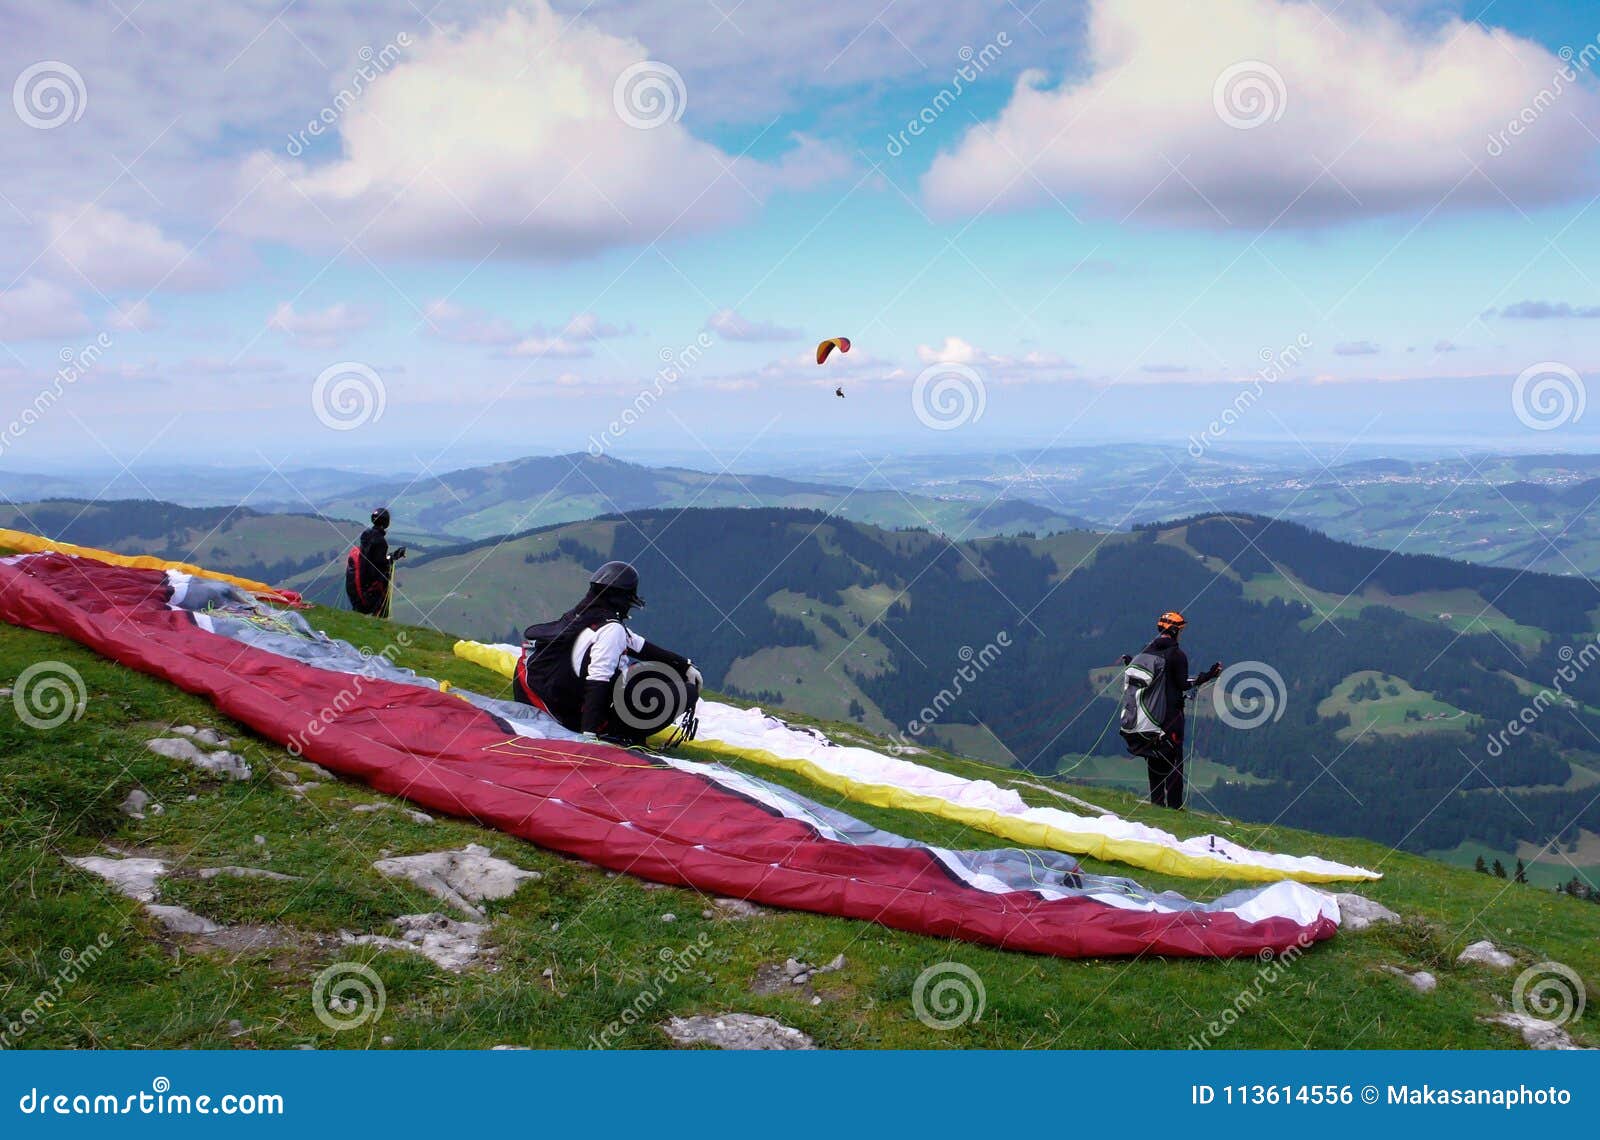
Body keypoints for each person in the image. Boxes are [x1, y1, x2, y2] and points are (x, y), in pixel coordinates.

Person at [514, 561, 702, 744]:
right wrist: (589, 735)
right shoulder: (611, 629)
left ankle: (608, 727)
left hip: (533, 696)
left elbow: (641, 646)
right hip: (566, 715)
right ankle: (621, 735)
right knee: (686, 692)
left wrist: (684, 665)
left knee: (640, 672)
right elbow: (598, 680)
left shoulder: (583, 616)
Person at [1119, 611, 1221, 810]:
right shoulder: (1177, 655)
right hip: (1171, 716)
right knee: (1174, 762)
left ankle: (1157, 804)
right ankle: (1174, 807)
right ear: (1175, 631)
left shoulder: (1146, 651)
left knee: (1155, 758)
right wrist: (1208, 675)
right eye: (1180, 630)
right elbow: (1183, 684)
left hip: (1149, 718)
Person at [344, 507, 405, 617]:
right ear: (386, 523)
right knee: (384, 579)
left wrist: (389, 557)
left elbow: (371, 559)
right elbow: (378, 566)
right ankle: (381, 617)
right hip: (368, 591)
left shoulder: (366, 536)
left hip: (356, 590)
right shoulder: (381, 542)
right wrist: (394, 557)